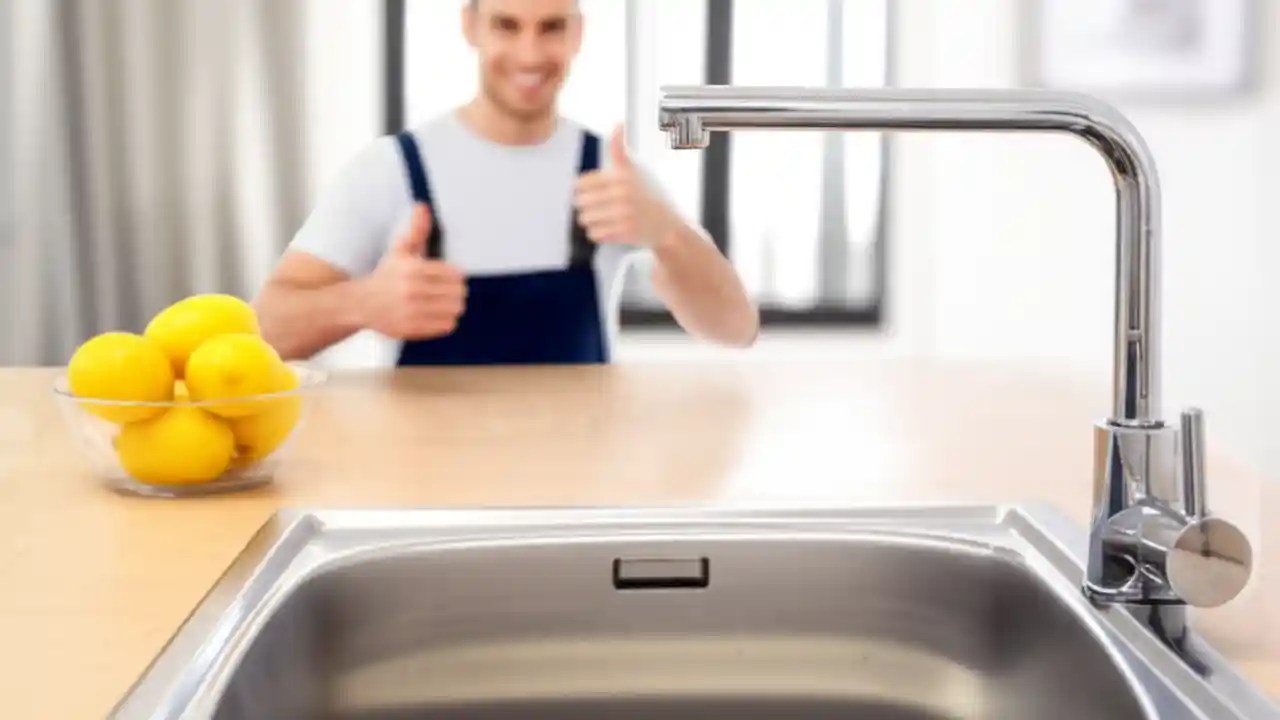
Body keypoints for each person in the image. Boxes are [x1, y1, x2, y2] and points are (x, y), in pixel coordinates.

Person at [256, 0, 758, 366]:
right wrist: (362, 303)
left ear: (578, 34)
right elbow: (263, 332)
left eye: (552, 27)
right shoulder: (389, 169)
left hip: (578, 483)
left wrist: (667, 232)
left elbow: (736, 328)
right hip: (426, 481)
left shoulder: (612, 174)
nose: (530, 52)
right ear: (470, 26)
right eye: (507, 25)